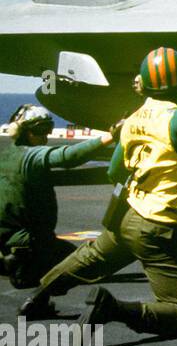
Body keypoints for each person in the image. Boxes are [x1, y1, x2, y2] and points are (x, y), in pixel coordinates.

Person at [19, 7, 177, 334]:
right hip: (159, 230)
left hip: (128, 217)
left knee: (89, 258)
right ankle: (111, 308)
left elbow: (116, 172)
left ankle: (38, 296)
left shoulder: (130, 121)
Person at [0, 106, 113, 288]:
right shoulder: (33, 156)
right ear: (27, 132)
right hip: (28, 239)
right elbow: (69, 157)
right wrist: (110, 136)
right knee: (85, 267)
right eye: (41, 130)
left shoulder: (6, 154)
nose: (45, 136)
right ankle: (20, 262)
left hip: (7, 235)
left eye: (48, 129)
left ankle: (12, 258)